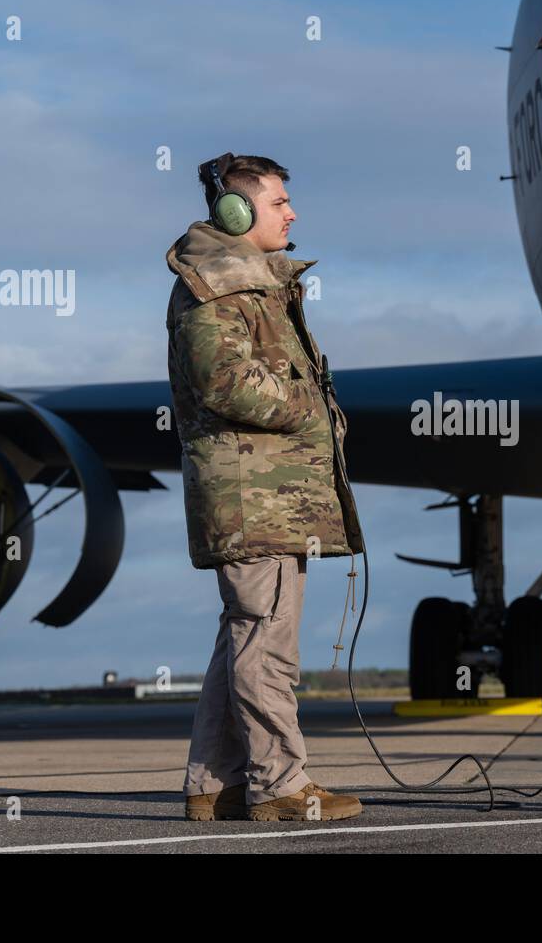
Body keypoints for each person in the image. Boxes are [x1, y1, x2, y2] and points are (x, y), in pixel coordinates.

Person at [166, 152, 363, 821]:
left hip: (270, 495)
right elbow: (224, 382)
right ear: (237, 212)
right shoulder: (216, 287)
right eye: (279, 202)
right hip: (257, 498)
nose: (293, 213)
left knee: (246, 635)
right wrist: (310, 406)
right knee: (267, 646)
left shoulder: (250, 282)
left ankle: (213, 784)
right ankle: (280, 787)